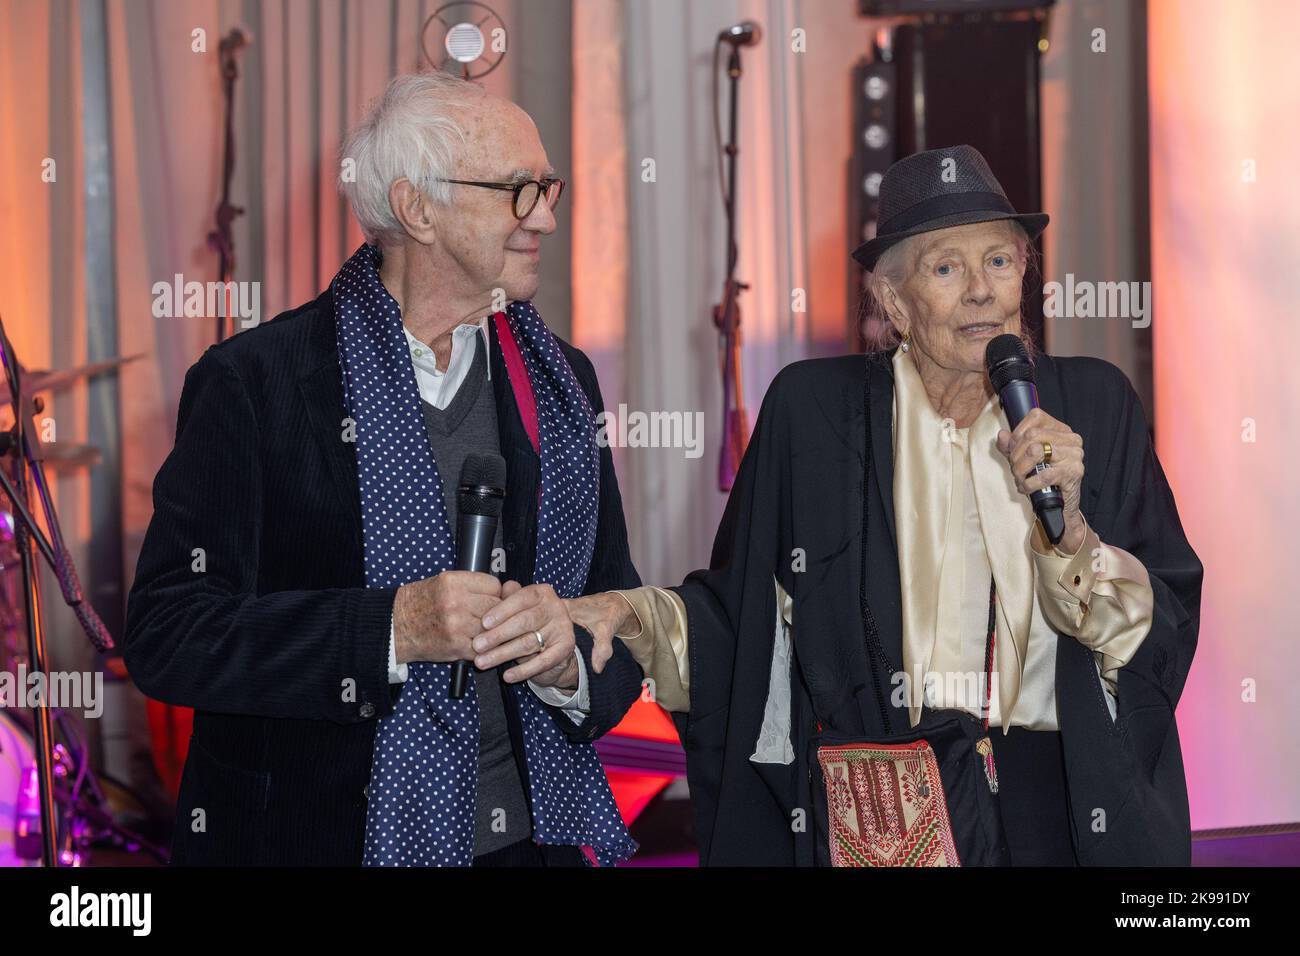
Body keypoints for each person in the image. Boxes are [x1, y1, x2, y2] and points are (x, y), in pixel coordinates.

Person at [557, 145, 1202, 866]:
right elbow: (743, 623)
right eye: (946, 267)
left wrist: (1073, 532)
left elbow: (1158, 633)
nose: (982, 290)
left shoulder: (1092, 403)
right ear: (894, 301)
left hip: (1062, 806)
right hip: (884, 809)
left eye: (999, 260)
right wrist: (632, 615)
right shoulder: (816, 413)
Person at [124, 71, 643, 867]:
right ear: (415, 209)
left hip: (529, 845)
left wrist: (568, 660)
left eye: (548, 187)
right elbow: (169, 634)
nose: (544, 215)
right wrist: (390, 630)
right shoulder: (255, 383)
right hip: (317, 843)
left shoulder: (562, 381)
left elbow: (621, 613)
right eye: (517, 190)